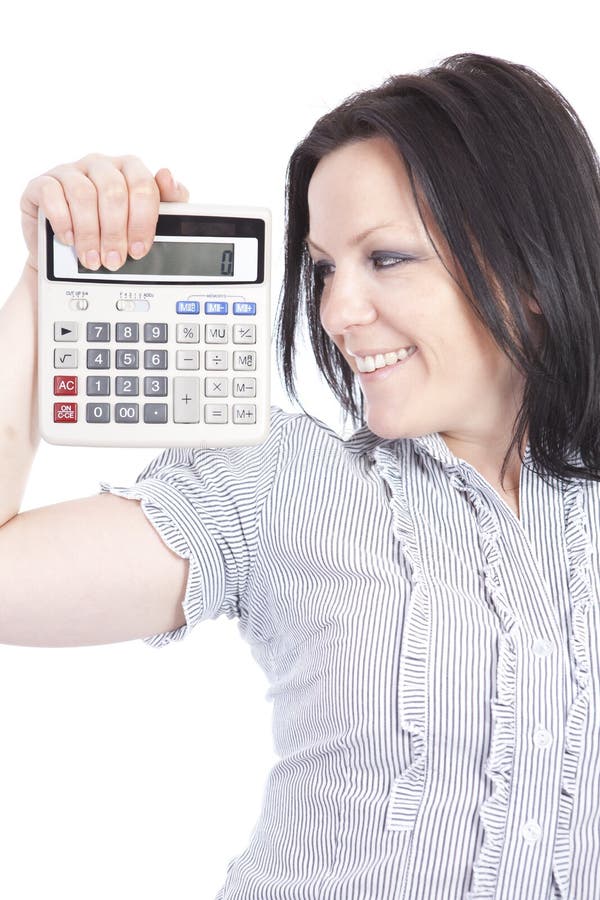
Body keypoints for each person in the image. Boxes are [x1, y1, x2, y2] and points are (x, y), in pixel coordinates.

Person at [1, 50, 599, 899]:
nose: (336, 312)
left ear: (530, 268)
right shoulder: (280, 480)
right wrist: (40, 276)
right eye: (322, 268)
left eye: (385, 258)